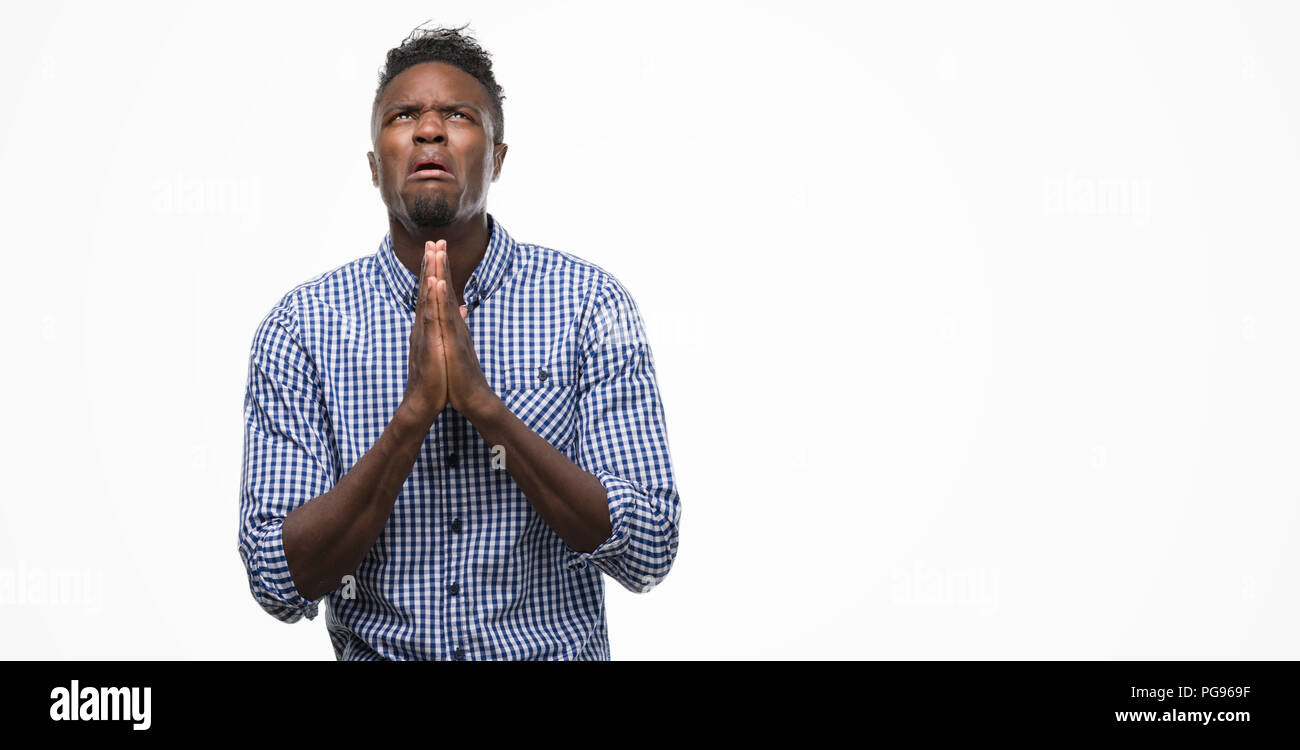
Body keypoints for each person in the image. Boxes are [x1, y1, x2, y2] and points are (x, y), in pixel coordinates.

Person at [237, 25, 681, 660]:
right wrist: (412, 416)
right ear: (374, 166)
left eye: (458, 115)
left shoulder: (590, 306)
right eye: (403, 116)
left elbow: (650, 548)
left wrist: (485, 407)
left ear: (496, 158)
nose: (429, 131)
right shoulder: (301, 330)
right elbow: (278, 581)